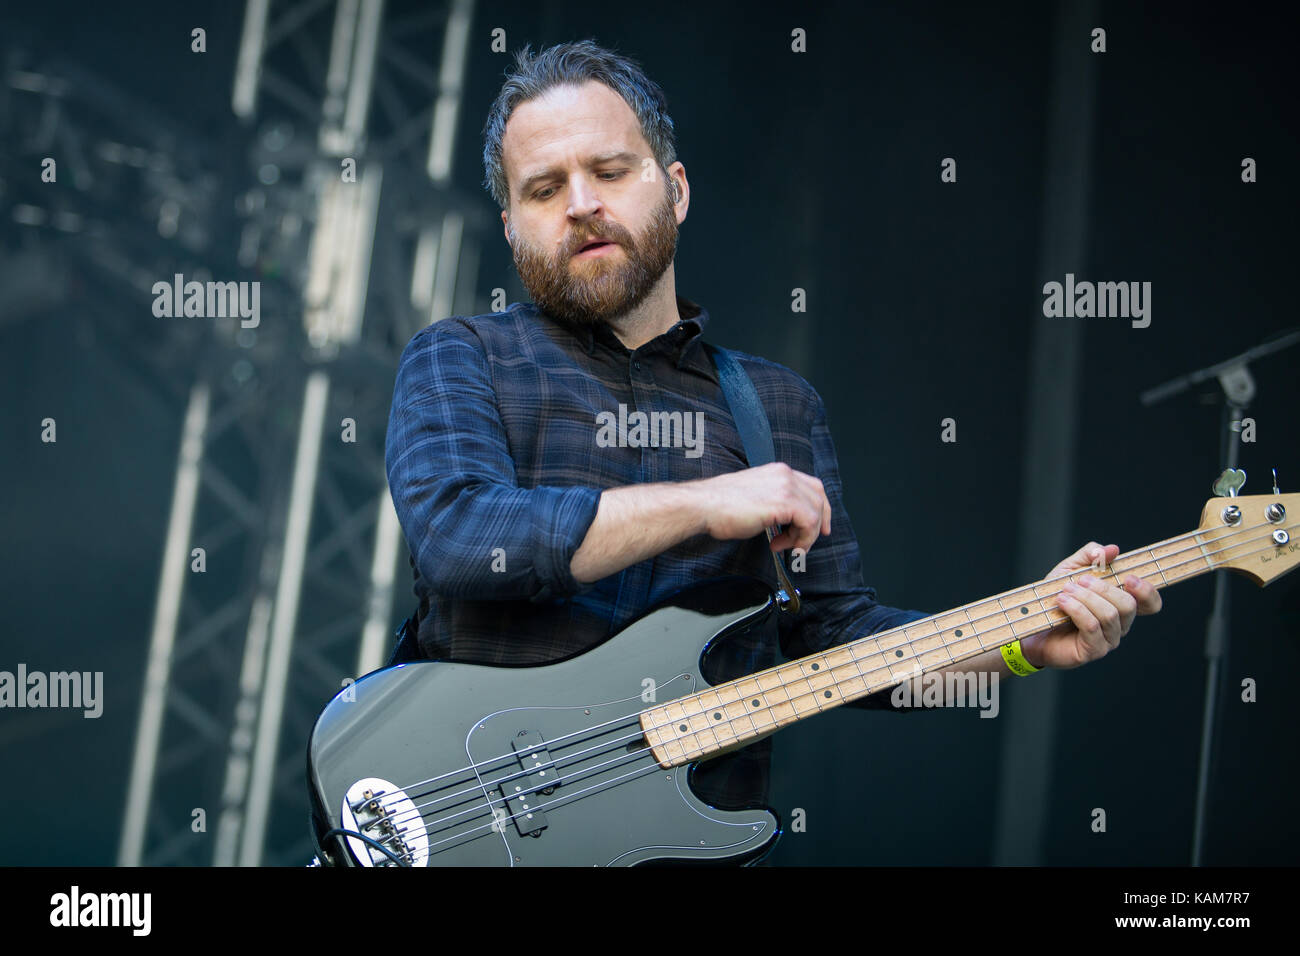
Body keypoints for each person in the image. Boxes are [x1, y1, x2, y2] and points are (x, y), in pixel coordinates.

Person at [383, 39, 1163, 815]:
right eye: (545, 189)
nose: (582, 202)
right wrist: (703, 503)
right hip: (477, 829)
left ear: (677, 190)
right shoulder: (463, 358)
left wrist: (1020, 639)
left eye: (611, 172)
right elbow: (460, 537)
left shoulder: (776, 405)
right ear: (513, 227)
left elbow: (836, 640)